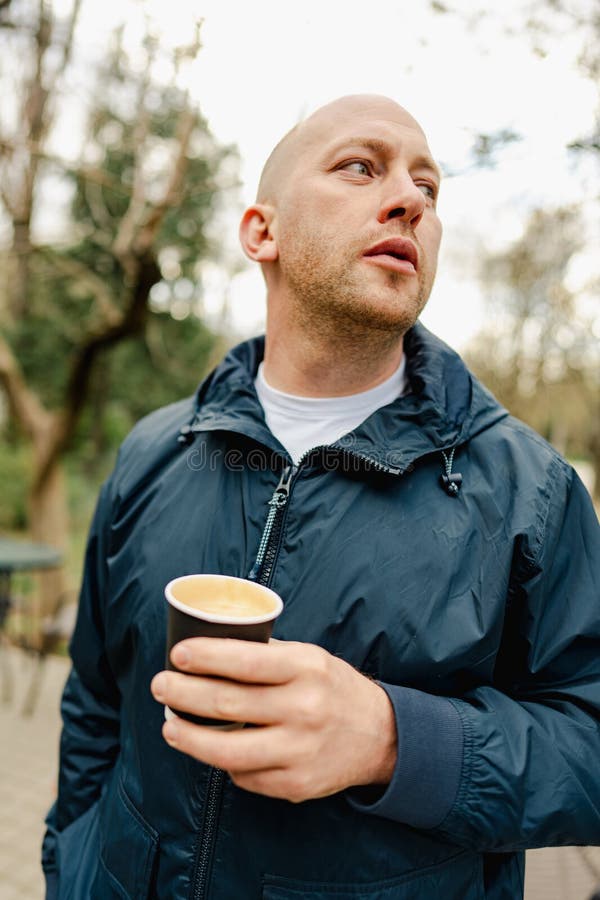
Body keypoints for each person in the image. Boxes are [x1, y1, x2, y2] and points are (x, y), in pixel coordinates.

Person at [42, 94, 600, 900]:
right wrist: (71, 869)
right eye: (360, 168)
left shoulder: (533, 492)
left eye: (428, 187)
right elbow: (95, 702)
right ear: (261, 232)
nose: (410, 200)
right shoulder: (153, 453)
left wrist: (394, 742)